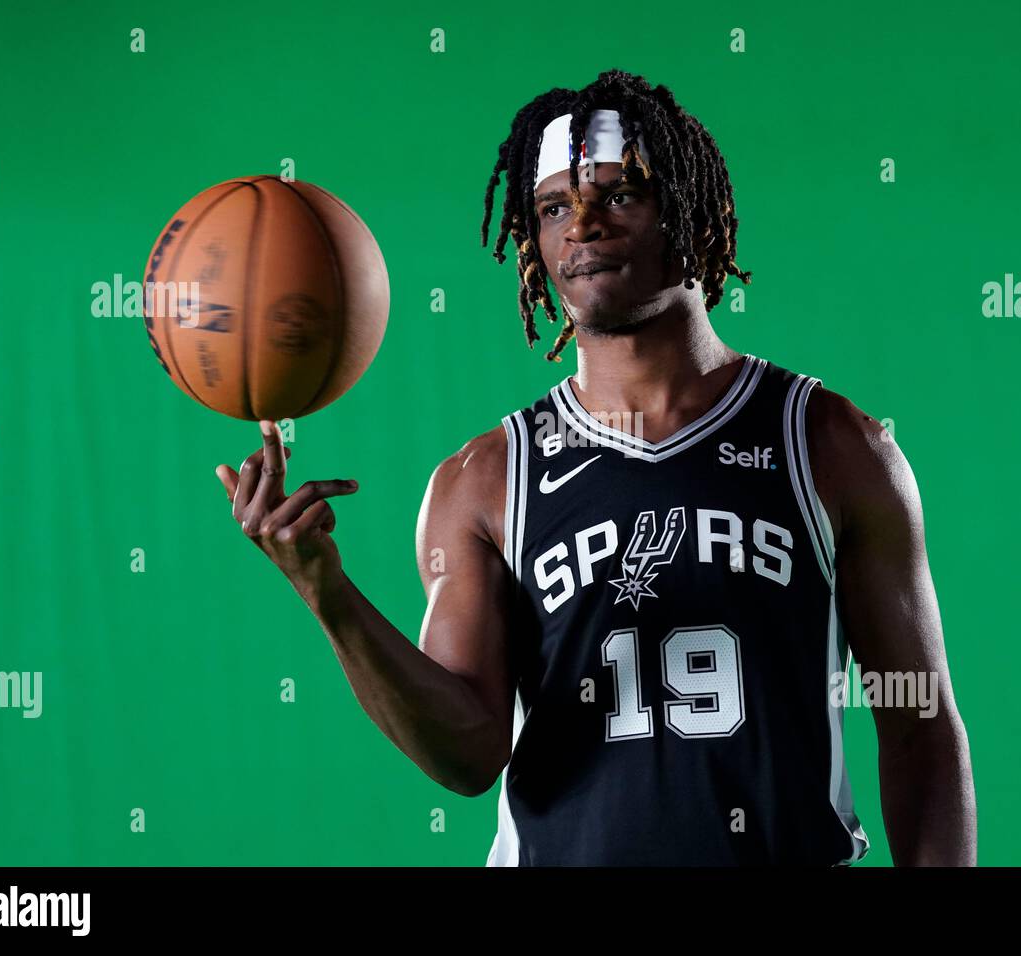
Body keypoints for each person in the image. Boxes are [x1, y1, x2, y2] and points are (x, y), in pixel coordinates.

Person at [215, 69, 976, 866]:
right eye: (552, 209)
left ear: (687, 209)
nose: (582, 225)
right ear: (532, 242)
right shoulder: (484, 480)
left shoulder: (826, 442)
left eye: (619, 195)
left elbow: (920, 723)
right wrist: (325, 591)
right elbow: (468, 755)